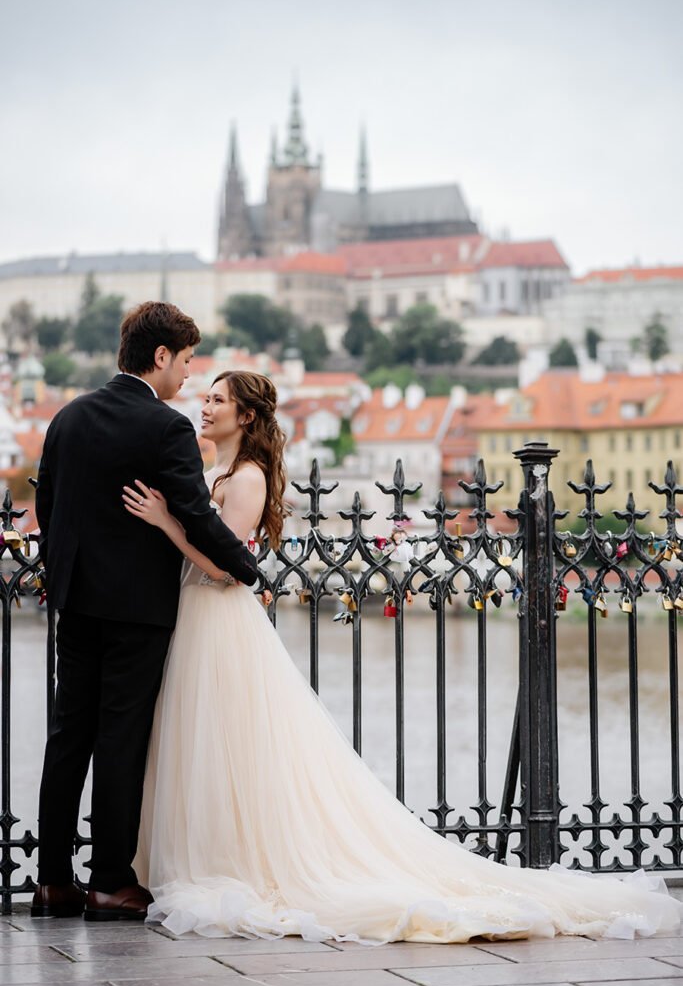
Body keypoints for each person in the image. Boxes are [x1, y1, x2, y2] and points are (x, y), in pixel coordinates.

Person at [128, 370, 681, 943]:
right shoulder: (214, 472)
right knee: (202, 740)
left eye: (217, 399)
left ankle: (232, 860)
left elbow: (226, 568)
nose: (205, 406)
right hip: (193, 614)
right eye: (206, 397)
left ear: (245, 416)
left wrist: (166, 522)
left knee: (225, 741)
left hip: (219, 616)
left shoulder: (246, 478)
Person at [32, 303, 259, 923]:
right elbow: (195, 514)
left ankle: (52, 882)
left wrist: (65, 576)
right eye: (185, 361)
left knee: (68, 737)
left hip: (76, 602)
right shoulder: (166, 427)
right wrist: (245, 566)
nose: (187, 375)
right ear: (161, 356)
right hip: (138, 608)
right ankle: (109, 882)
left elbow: (48, 508)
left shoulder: (68, 416)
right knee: (121, 740)